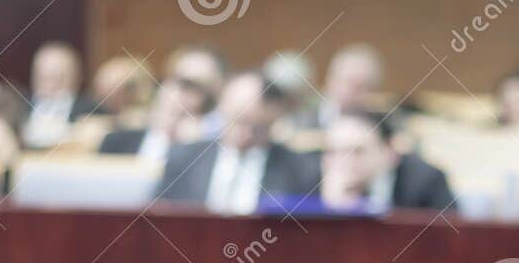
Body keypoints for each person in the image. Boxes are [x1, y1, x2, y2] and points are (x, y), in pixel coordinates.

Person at [153, 72, 318, 213]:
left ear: (274, 116)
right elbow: (162, 219)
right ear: (222, 108)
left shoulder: (300, 170)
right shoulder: (183, 159)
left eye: (256, 127)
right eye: (236, 121)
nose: (244, 134)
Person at [318, 109, 456, 213]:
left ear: (389, 152)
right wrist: (332, 209)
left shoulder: (426, 181)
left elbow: (450, 237)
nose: (343, 162)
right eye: (332, 152)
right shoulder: (311, 182)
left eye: (358, 152)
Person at [100, 76, 211, 161]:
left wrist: (192, 145)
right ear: (154, 107)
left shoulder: (203, 156)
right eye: (169, 111)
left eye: (184, 114)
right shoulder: (116, 143)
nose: (173, 121)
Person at [22, 42, 99, 149]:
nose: (51, 86)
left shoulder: (92, 109)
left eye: (59, 79)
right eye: (43, 78)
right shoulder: (19, 108)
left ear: (77, 78)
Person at [293, 44, 384, 130]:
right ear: (330, 80)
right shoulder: (299, 120)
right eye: (348, 81)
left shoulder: (381, 126)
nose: (352, 92)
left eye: (362, 87)